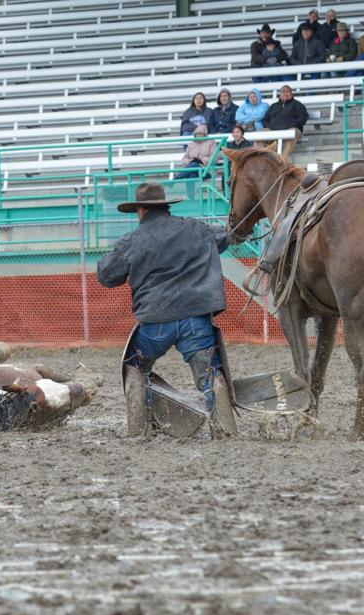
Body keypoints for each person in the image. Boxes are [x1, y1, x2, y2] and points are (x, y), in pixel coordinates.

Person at [95, 182, 234, 435]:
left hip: (155, 320)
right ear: (166, 206)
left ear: (140, 211)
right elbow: (223, 238)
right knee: (209, 374)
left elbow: (107, 275)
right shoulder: (195, 227)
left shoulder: (132, 240)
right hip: (196, 316)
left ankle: (142, 425)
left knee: (135, 365)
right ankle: (220, 412)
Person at [262, 86, 309, 159]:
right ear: (280, 94)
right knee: (260, 133)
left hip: (291, 128)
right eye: (283, 92)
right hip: (273, 130)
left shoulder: (297, 104)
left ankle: (283, 160)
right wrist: (270, 126)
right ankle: (259, 159)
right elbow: (265, 120)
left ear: (291, 94)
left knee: (292, 134)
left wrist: (293, 125)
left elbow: (303, 118)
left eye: (288, 91)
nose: (285, 94)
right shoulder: (274, 106)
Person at [175, 124, 218, 198]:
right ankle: (192, 198)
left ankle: (176, 179)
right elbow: (184, 158)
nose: (199, 136)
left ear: (205, 134)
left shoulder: (212, 143)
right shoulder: (191, 144)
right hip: (194, 169)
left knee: (194, 165)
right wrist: (190, 161)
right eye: (197, 134)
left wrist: (202, 160)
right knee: (191, 175)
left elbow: (215, 158)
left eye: (201, 134)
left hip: (206, 170)